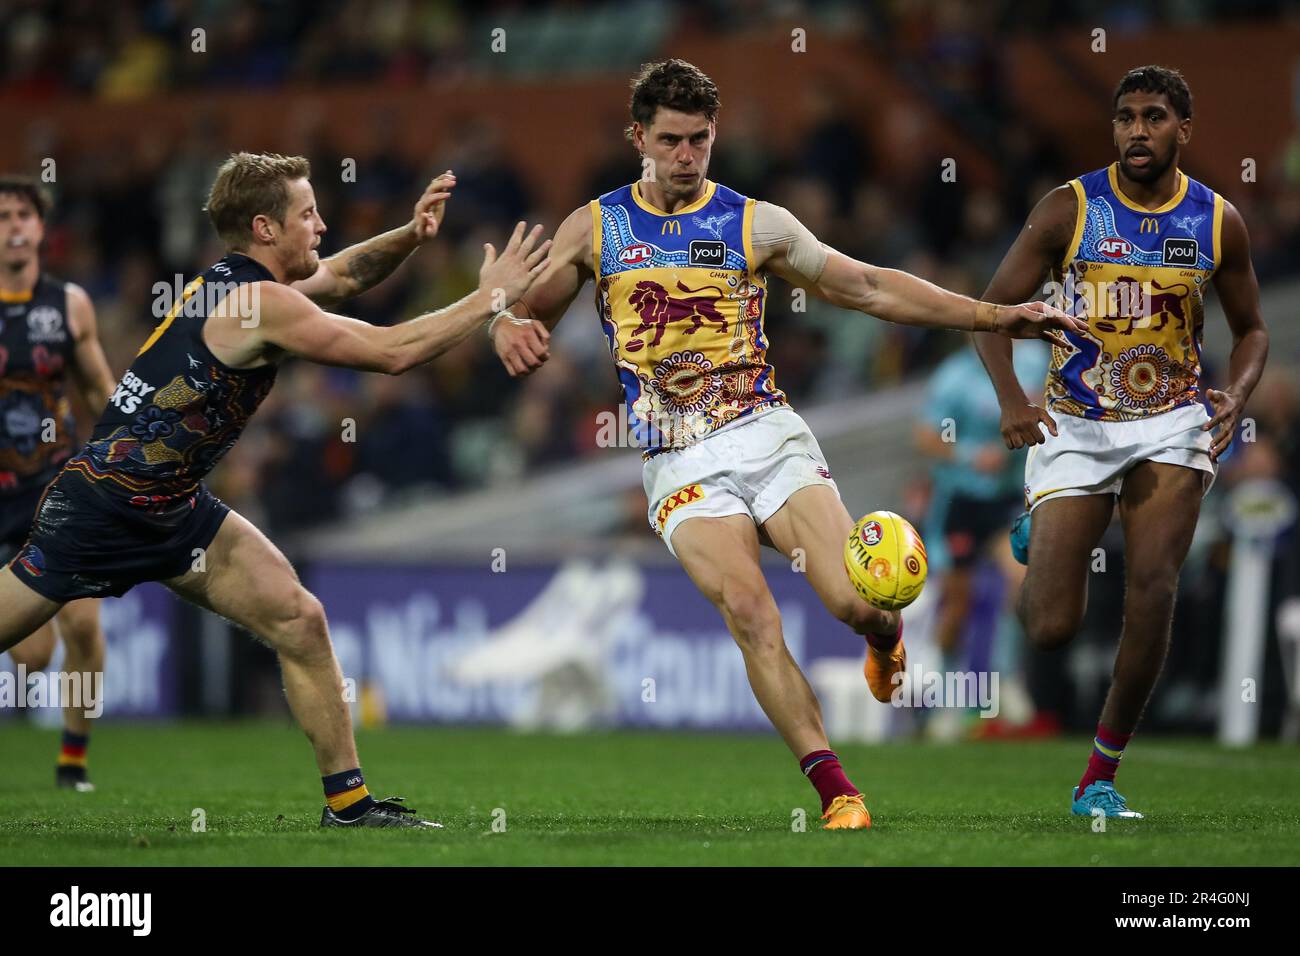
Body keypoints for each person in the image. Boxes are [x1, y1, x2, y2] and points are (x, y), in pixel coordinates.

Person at [490, 60, 1082, 829]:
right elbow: (527, 307)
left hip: (768, 436)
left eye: (699, 139)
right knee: (749, 610)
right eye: (669, 140)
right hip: (679, 459)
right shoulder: (594, 227)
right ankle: (838, 790)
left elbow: (866, 286)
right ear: (638, 137)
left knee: (856, 602)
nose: (685, 156)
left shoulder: (753, 223)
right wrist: (503, 317)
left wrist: (992, 315)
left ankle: (883, 632)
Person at [0, 153, 550, 828]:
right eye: (308, 214)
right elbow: (393, 352)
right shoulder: (258, 304)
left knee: (300, 618)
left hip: (172, 505)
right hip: (104, 504)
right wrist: (489, 297)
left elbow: (346, 273)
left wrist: (409, 235)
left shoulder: (236, 283)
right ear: (265, 227)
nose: (321, 224)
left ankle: (349, 806)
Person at [974, 66, 1268, 818]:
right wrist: (1013, 399)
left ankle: (1098, 776)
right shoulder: (1067, 210)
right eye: (1127, 117)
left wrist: (1235, 394)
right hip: (1075, 423)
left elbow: (1253, 330)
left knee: (1155, 587)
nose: (1139, 130)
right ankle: (1040, 529)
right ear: (1114, 129)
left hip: (1173, 420)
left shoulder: (1216, 220)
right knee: (1049, 627)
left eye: (1156, 117)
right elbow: (991, 311)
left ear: (1184, 131)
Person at [0, 175, 117, 791]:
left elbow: (100, 389)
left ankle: (73, 760)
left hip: (56, 482)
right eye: (2, 216)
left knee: (85, 625)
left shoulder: (68, 304)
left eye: (24, 214)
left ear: (41, 229)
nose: (14, 225)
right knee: (34, 656)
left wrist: (134, 445)